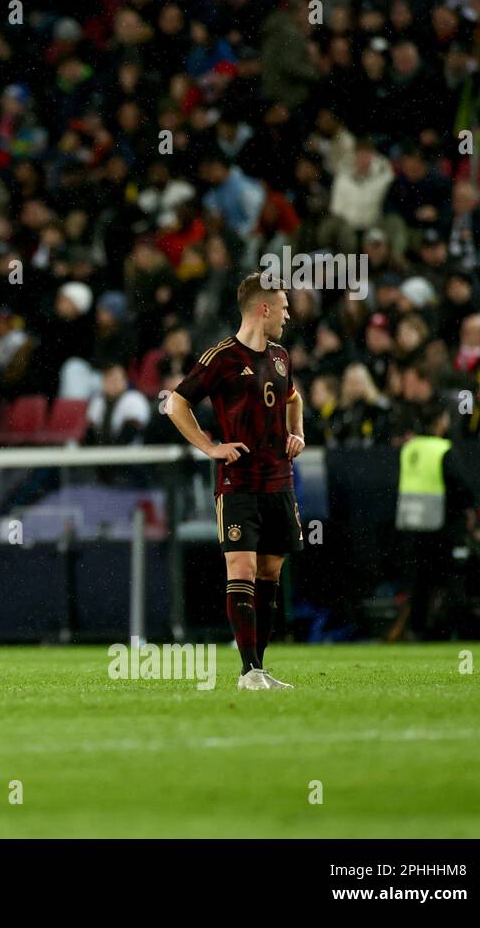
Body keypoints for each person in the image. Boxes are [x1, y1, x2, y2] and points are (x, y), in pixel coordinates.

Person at [166, 272, 305, 690]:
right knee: (240, 565)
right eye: (282, 306)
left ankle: (259, 667)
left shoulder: (281, 356)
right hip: (238, 482)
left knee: (270, 572)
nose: (287, 314)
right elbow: (175, 403)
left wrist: (296, 432)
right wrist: (210, 447)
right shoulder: (221, 357)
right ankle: (247, 671)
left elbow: (293, 398)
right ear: (263, 309)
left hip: (279, 481)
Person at [390, 400, 476, 640]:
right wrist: (468, 510)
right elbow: (459, 486)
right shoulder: (443, 449)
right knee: (453, 579)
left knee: (420, 583)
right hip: (444, 525)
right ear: (439, 422)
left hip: (414, 525)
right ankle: (457, 631)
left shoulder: (409, 449)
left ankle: (418, 631)